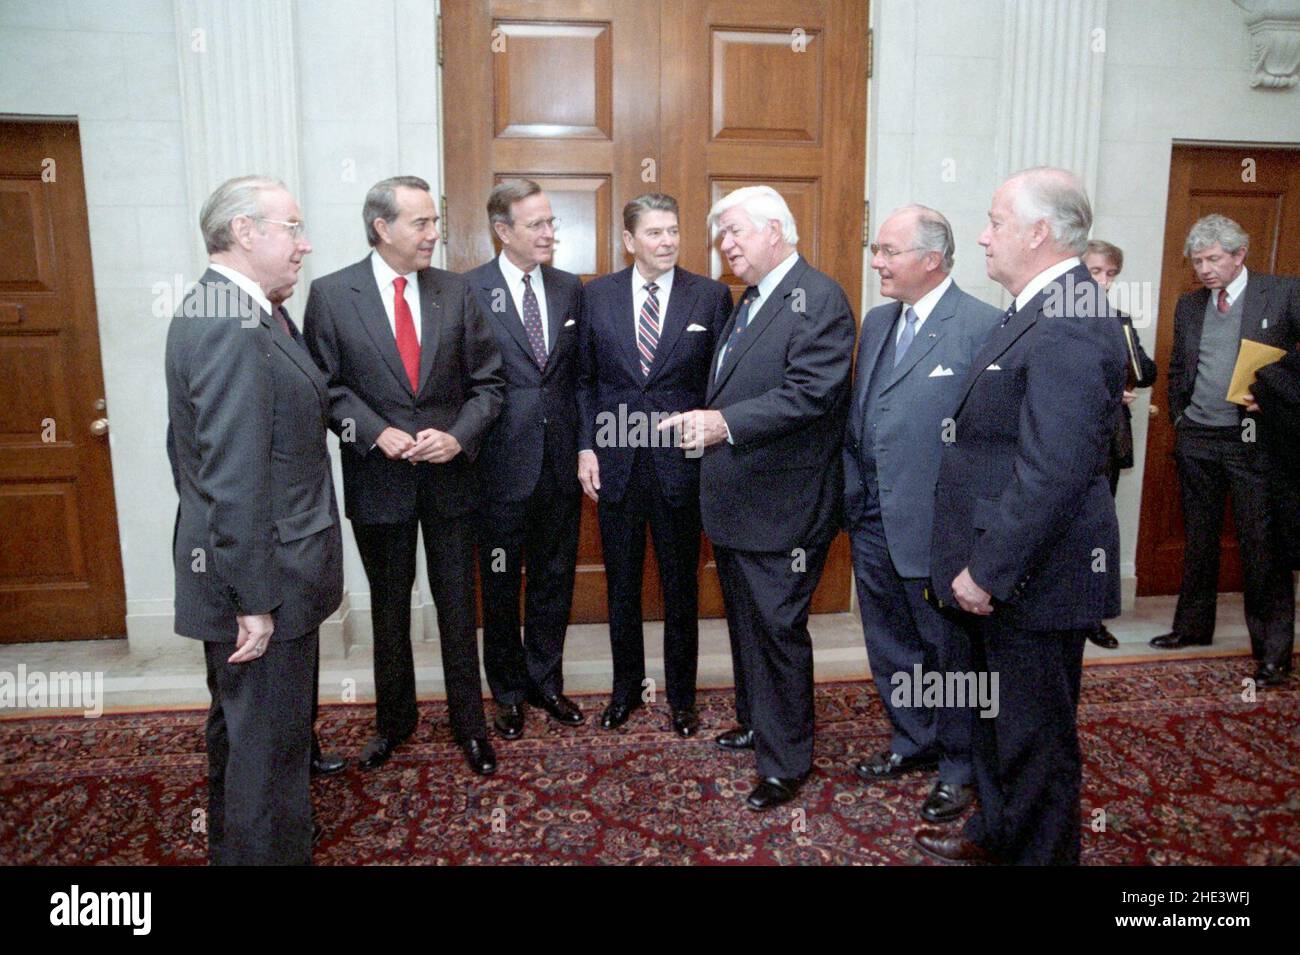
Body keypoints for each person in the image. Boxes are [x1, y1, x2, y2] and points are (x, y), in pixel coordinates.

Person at [919, 167, 1126, 865]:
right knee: (990, 720)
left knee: (1035, 739)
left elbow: (1054, 471)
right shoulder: (1034, 304)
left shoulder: (1071, 316)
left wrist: (988, 570)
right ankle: (996, 833)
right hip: (997, 569)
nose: (982, 236)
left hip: (1032, 579)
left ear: (1039, 233)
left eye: (996, 221)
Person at [166, 175, 343, 864]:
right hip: (263, 580)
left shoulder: (247, 309)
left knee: (249, 738)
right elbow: (228, 475)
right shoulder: (228, 319)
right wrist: (252, 599)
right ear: (245, 231)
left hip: (263, 568)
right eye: (291, 227)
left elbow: (195, 454)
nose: (304, 244)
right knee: (267, 750)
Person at [302, 176, 505, 775]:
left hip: (450, 482)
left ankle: (471, 725)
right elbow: (324, 388)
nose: (433, 235)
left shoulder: (457, 291)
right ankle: (394, 723)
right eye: (420, 223)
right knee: (388, 609)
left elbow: (489, 384)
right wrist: (370, 431)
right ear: (381, 228)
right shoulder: (332, 295)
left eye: (435, 222)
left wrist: (458, 436)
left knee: (455, 606)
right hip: (378, 483)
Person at [660, 185, 854, 811]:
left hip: (786, 507)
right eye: (721, 235)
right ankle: (757, 722)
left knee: (776, 631)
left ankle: (787, 760)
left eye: (735, 231)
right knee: (746, 626)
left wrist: (721, 424)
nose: (726, 245)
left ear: (776, 230)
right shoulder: (751, 301)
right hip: (741, 504)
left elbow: (811, 393)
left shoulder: (818, 298)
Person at [845, 205, 1000, 823]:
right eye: (876, 249)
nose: (876, 261)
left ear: (931, 259)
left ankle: (959, 766)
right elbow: (864, 417)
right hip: (873, 519)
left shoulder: (983, 325)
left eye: (887, 250)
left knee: (949, 655)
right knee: (889, 644)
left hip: (941, 532)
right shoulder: (880, 321)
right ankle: (913, 740)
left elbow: (991, 443)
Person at [577, 194, 732, 736]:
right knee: (622, 584)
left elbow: (722, 379)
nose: (667, 242)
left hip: (680, 465)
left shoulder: (710, 297)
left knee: (679, 587)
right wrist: (585, 447)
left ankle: (682, 699)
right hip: (616, 462)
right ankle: (626, 692)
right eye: (655, 233)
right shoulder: (595, 296)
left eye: (673, 231)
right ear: (629, 240)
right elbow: (585, 382)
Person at [1150, 215, 1299, 688]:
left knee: (1263, 547)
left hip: (1253, 440)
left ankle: (1273, 654)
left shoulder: (1283, 293)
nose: (1205, 269)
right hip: (1197, 437)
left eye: (1214, 259)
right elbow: (1178, 368)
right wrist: (1180, 416)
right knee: (1199, 539)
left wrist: (1277, 390)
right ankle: (1192, 627)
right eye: (1198, 261)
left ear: (1239, 255)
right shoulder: (1190, 304)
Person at [466, 180, 587, 738]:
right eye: (536, 224)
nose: (548, 233)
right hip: (495, 468)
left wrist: (586, 444)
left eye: (550, 222)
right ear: (502, 230)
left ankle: (546, 682)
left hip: (560, 464)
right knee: (498, 582)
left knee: (553, 577)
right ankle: (508, 692)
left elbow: (581, 378)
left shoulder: (569, 288)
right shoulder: (469, 290)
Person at [1082, 239, 1157, 649]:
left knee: (1098, 531)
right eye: (1096, 271)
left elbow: (1146, 371)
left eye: (1110, 274)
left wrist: (1130, 378)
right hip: (1061, 444)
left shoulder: (1119, 320)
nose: (1104, 281)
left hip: (1106, 445)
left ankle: (1092, 616)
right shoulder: (1055, 315)